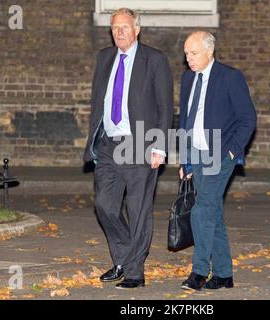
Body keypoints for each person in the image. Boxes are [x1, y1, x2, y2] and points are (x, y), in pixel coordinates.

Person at [83, 8, 173, 289]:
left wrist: (160, 146)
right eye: (114, 28)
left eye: (124, 27)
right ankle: (124, 256)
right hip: (109, 144)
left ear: (137, 29)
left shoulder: (154, 60)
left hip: (140, 144)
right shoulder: (105, 58)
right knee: (104, 205)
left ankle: (135, 272)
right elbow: (99, 101)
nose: (119, 32)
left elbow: (165, 106)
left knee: (138, 210)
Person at [179, 31, 257, 291]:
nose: (188, 58)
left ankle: (199, 272)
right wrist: (185, 159)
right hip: (197, 154)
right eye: (186, 53)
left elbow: (248, 118)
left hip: (220, 153)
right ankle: (224, 273)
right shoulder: (188, 77)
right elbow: (185, 120)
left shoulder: (230, 77)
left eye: (193, 53)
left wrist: (233, 152)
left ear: (209, 51)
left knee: (201, 210)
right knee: (212, 212)